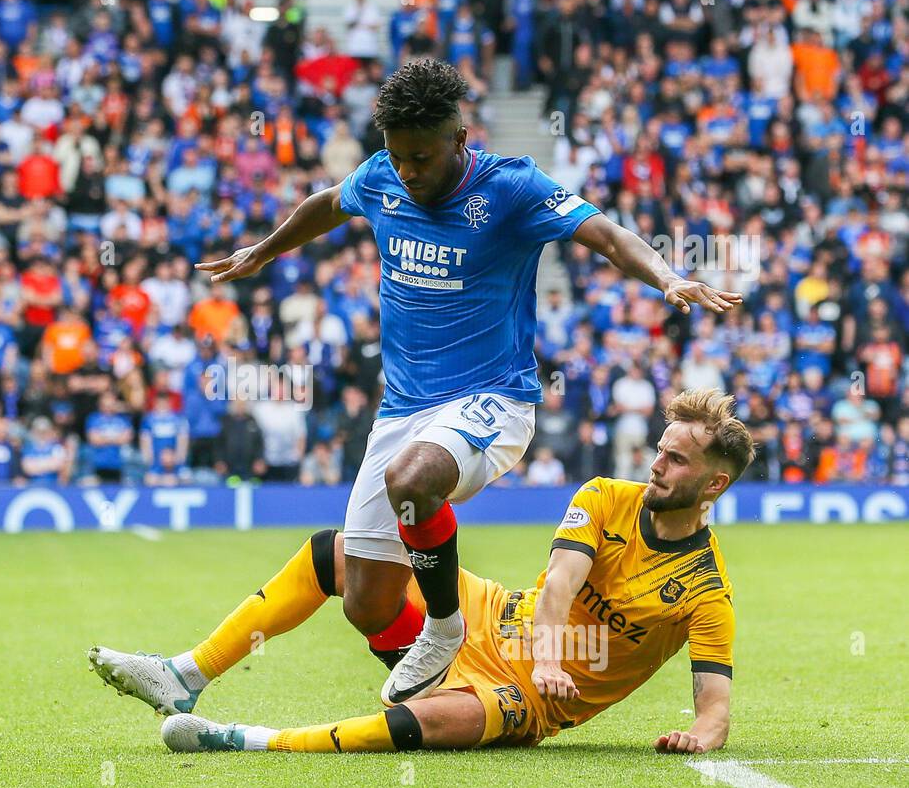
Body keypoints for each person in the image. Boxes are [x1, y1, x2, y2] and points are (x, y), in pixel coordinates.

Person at [193, 58, 741, 705]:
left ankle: (446, 626)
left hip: (493, 399)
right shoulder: (383, 176)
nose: (408, 172)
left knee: (413, 477)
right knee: (366, 604)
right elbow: (330, 204)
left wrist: (667, 276)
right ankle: (453, 692)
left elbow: (609, 236)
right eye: (397, 157)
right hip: (402, 410)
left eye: (421, 157)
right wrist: (265, 249)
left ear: (459, 139)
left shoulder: (511, 189)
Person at [91, 389, 750, 756]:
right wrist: (549, 652)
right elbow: (559, 586)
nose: (658, 466)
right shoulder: (607, 495)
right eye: (660, 451)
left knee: (431, 728)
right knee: (339, 554)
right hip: (483, 614)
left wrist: (699, 734)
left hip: (526, 699)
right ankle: (184, 677)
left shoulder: (706, 594)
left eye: (678, 461)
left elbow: (714, 709)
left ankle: (246, 741)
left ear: (714, 483)